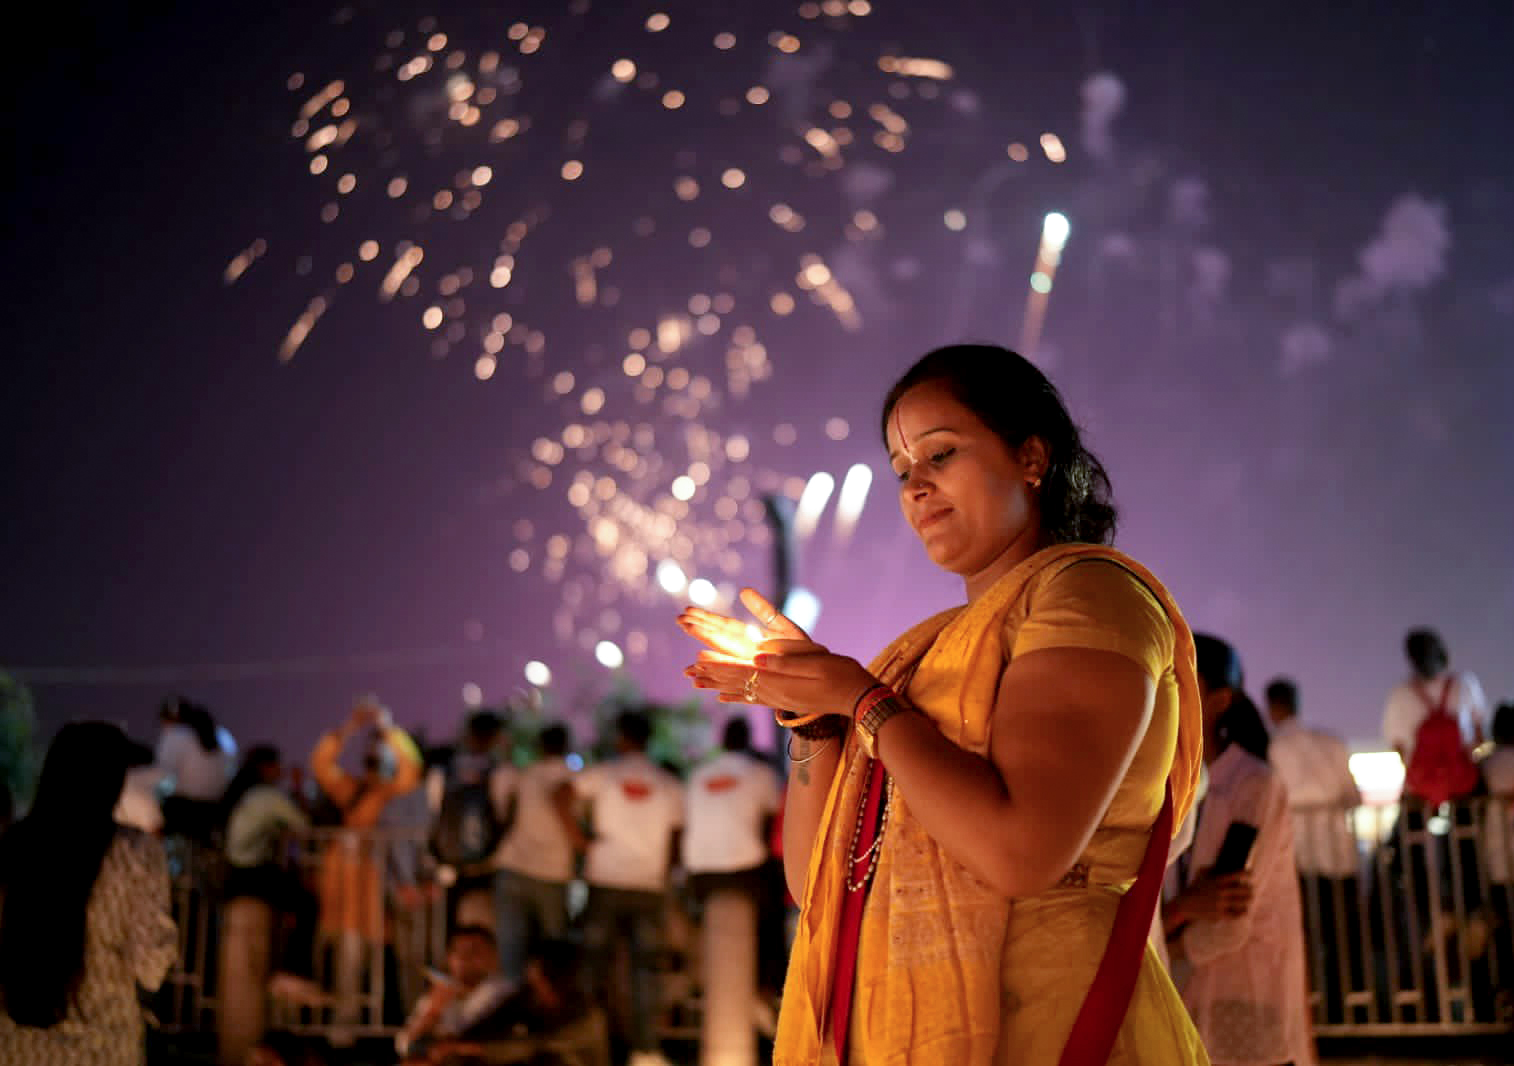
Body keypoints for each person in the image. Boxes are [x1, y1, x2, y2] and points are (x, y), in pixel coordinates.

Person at [678, 344, 1207, 1065]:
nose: (916, 487)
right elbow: (818, 883)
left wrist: (861, 701)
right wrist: (814, 718)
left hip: (1047, 1021)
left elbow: (1021, 851)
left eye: (941, 454)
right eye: (901, 472)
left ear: (1030, 457)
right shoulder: (922, 654)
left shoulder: (1089, 595)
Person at [1167, 638, 1315, 1066]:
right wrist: (1182, 910)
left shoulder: (1251, 786)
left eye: (1178, 681)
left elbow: (1227, 923)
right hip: (1193, 1004)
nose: (1163, 693)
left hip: (1248, 1003)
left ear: (1219, 701)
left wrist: (1158, 940)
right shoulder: (1170, 786)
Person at [0, 721, 179, 1065]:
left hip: (15, 1047)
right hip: (103, 1047)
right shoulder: (135, 854)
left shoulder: (11, 847)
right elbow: (151, 966)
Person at [574, 709, 685, 1066]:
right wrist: (667, 871)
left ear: (622, 737)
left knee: (594, 967)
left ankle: (588, 1044)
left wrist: (580, 840)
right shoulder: (667, 783)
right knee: (645, 971)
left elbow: (563, 793)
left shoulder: (606, 773)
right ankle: (646, 1049)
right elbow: (677, 836)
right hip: (648, 884)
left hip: (605, 879)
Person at [1264, 677, 1362, 1025]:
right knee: (1343, 937)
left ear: (1273, 708)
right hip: (1339, 855)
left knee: (1305, 938)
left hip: (1299, 858)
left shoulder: (1273, 749)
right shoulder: (1331, 742)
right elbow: (1354, 797)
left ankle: (1312, 1010)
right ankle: (1347, 1007)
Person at [310, 699, 423, 944]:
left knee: (371, 942)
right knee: (343, 940)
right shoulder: (350, 789)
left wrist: (388, 729)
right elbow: (321, 763)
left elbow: (412, 768)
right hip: (343, 872)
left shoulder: (388, 792)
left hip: (373, 875)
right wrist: (350, 726)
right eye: (371, 762)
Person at [222, 745, 321, 996]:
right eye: (277, 766)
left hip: (236, 873)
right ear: (266, 768)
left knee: (294, 899)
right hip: (252, 873)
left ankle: (287, 971)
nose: (281, 771)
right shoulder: (267, 796)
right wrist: (298, 789)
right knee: (307, 903)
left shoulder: (244, 793)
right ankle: (293, 971)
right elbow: (303, 823)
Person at [494, 723, 586, 982]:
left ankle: (512, 1010)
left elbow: (503, 813)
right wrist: (583, 845)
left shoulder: (524, 775)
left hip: (513, 866)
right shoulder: (575, 779)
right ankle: (547, 1013)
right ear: (567, 746)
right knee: (553, 955)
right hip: (553, 874)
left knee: (512, 952)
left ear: (539, 746)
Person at [394, 924, 512, 1064]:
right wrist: (434, 1010)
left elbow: (464, 1035)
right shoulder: (442, 991)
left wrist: (436, 1011)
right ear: (449, 958)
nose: (464, 958)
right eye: (457, 951)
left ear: (493, 956)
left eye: (473, 951)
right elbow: (404, 1043)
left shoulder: (500, 991)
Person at [1381, 627, 1488, 765]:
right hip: (1462, 774)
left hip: (1423, 779)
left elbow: (1396, 742)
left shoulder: (1400, 695)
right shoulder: (1464, 684)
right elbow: (1480, 732)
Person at [156, 701, 234, 840]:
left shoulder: (176, 736)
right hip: (217, 811)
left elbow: (163, 775)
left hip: (183, 812)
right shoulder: (223, 737)